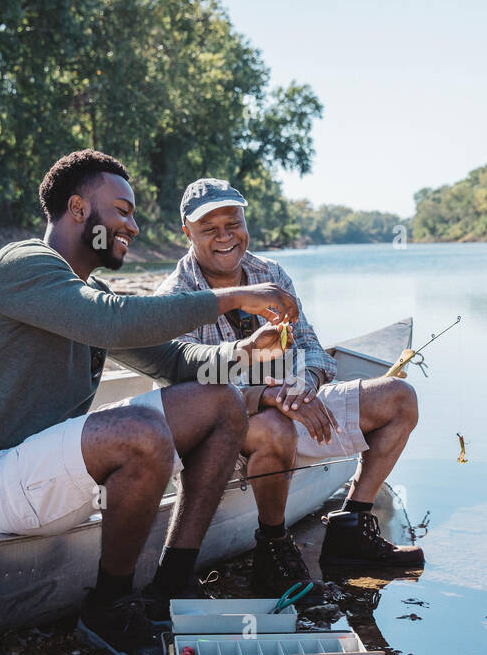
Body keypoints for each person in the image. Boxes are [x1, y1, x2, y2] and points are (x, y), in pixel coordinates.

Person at [0, 152, 298, 655]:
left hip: (46, 474)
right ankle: (108, 607)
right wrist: (235, 297)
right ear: (79, 208)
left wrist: (240, 354)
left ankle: (172, 585)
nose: (131, 225)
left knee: (221, 402)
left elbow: (173, 360)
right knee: (140, 431)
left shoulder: (85, 291)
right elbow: (114, 322)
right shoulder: (21, 266)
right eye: (122, 211)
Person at [155, 178, 424, 596]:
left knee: (399, 399)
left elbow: (311, 347)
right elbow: (184, 386)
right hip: (223, 434)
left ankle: (351, 527)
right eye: (209, 229)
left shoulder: (270, 274)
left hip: (289, 408)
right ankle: (274, 547)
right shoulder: (173, 297)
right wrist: (268, 397)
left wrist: (303, 387)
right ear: (186, 233)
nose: (225, 237)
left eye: (233, 223)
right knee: (275, 428)